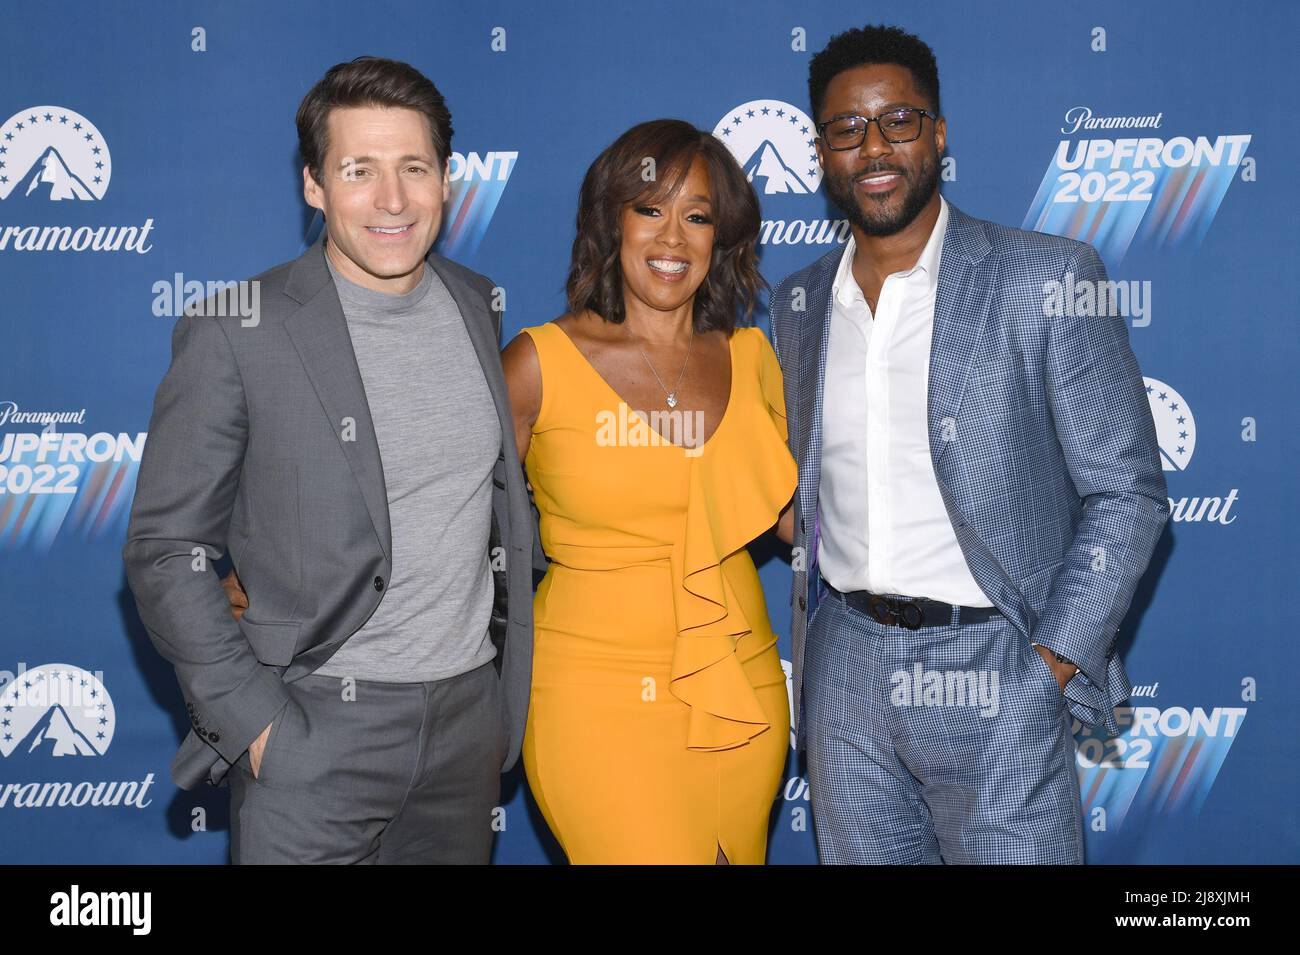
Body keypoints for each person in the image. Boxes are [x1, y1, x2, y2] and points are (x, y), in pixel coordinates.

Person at [769, 25, 1169, 863]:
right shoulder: (798, 305)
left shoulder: (1047, 277)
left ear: (940, 134)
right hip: (844, 666)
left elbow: (1127, 494)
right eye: (846, 128)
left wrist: (1049, 666)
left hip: (998, 662)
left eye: (899, 121)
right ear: (820, 151)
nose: (873, 146)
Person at [123, 56, 533, 864]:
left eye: (414, 168)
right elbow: (164, 550)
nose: (392, 199)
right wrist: (260, 725)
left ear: (447, 180)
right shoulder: (236, 329)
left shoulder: (475, 302)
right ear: (314, 184)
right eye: (359, 170)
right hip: (312, 732)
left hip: (465, 731)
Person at [500, 119, 797, 864]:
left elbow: (806, 524)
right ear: (611, 220)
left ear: (720, 237)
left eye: (697, 215)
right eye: (649, 208)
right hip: (594, 696)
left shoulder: (752, 357)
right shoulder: (540, 363)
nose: (673, 237)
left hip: (742, 682)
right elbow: (447, 514)